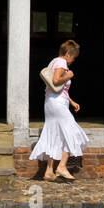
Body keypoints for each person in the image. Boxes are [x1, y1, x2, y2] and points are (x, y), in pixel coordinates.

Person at [30, 39, 88, 181]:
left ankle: (49, 171)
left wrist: (71, 101)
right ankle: (61, 166)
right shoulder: (62, 63)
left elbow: (57, 89)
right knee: (73, 133)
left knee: (55, 135)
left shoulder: (53, 62)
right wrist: (68, 75)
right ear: (68, 54)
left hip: (51, 102)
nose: (72, 61)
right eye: (73, 57)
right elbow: (56, 81)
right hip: (57, 104)